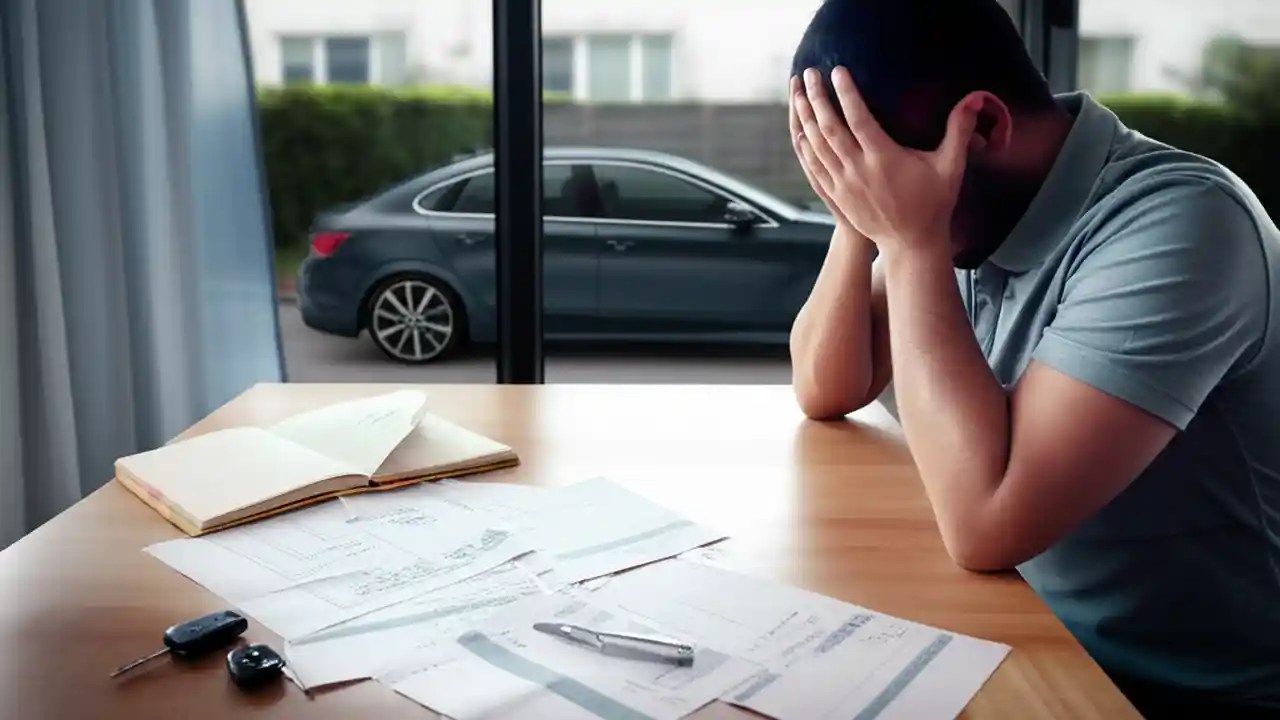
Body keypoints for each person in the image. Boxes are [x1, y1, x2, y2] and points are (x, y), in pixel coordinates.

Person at [786, 0, 1280, 715]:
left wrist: (912, 240)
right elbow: (826, 386)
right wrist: (857, 214)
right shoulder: (963, 195)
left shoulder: (1185, 226)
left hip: (1186, 689)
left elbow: (987, 525)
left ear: (983, 125)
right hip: (1034, 635)